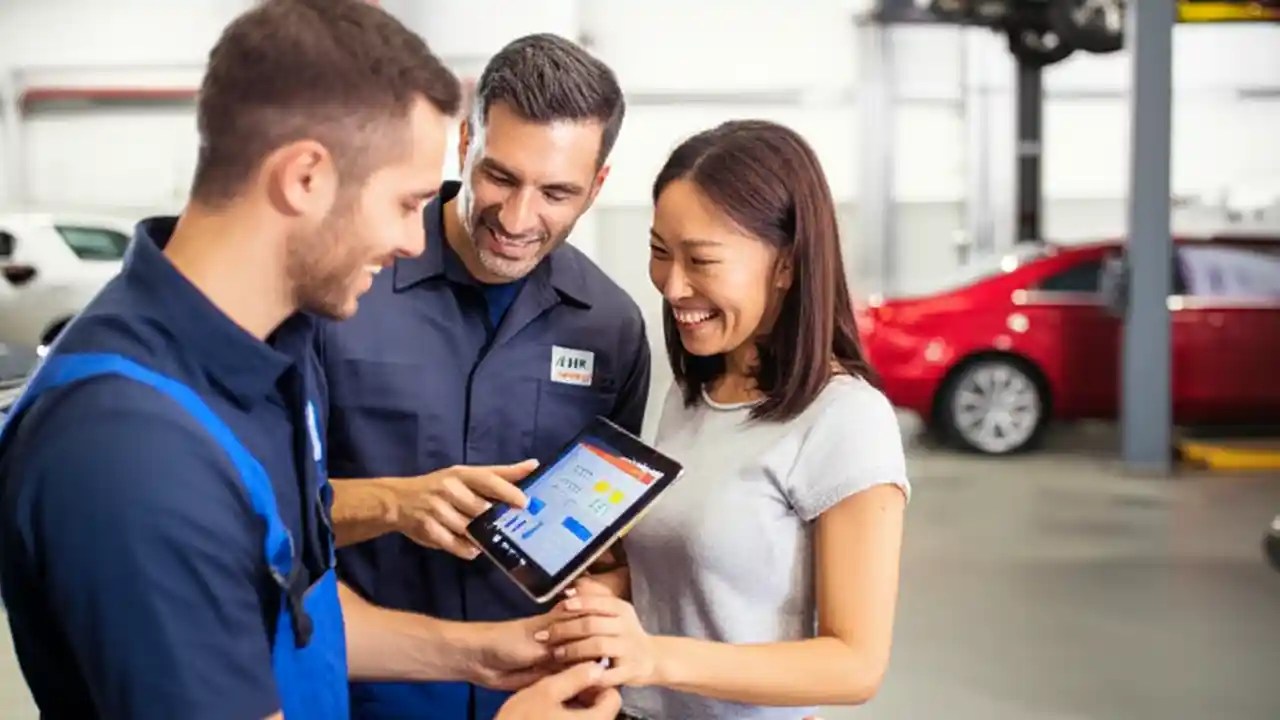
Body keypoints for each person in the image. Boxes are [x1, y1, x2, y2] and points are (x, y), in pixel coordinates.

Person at [0, 2, 619, 718]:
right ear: (305, 179)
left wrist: (477, 655)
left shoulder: (269, 361)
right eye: (404, 203)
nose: (414, 244)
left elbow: (301, 619)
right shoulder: (130, 447)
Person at [317, 32, 650, 720]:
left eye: (557, 191)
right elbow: (259, 520)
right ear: (465, 141)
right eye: (500, 176)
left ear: (597, 186)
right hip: (362, 695)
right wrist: (394, 503)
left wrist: (607, 594)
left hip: (538, 699)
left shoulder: (610, 328)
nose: (519, 218)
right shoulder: (346, 289)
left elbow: (608, 546)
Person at [540, 120, 912, 720]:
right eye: (661, 251)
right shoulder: (692, 394)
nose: (672, 284)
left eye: (702, 260)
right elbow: (702, 583)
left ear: (786, 264)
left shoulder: (846, 418)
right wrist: (605, 598)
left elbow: (854, 665)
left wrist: (655, 657)